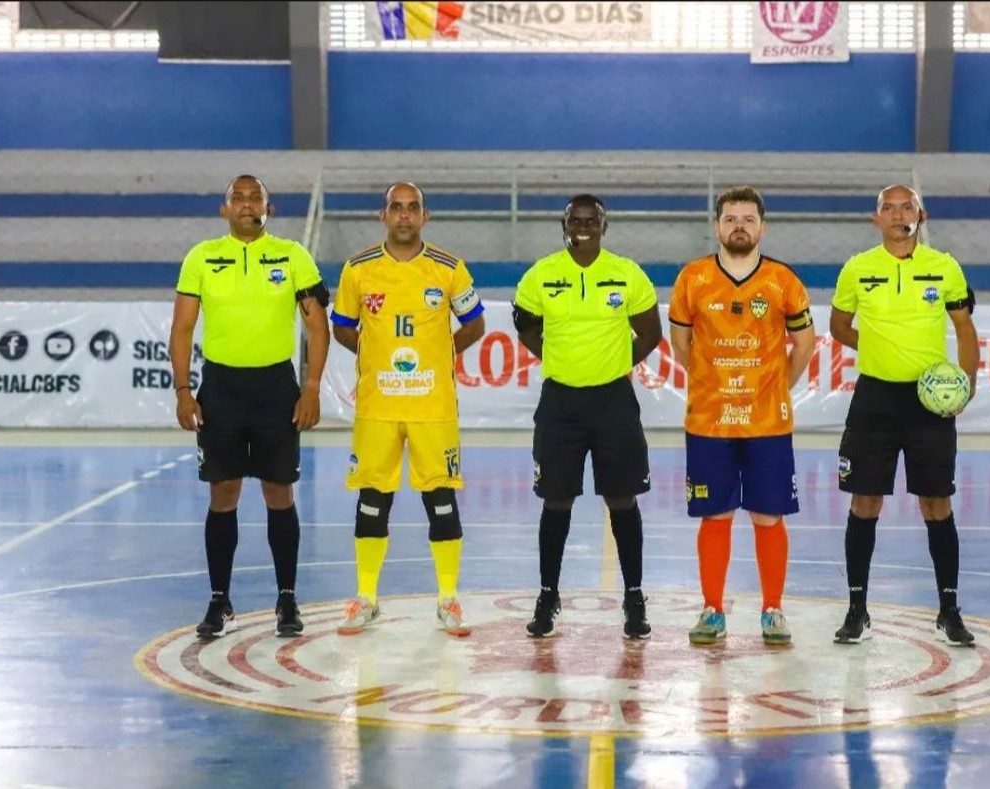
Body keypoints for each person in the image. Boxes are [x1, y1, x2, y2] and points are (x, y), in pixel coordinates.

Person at [170, 174, 331, 639]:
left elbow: (317, 328)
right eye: (237, 198)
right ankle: (219, 600)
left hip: (276, 388)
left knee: (279, 493)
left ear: (269, 208)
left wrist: (313, 386)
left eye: (254, 197)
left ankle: (287, 599)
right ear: (224, 210)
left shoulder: (293, 256)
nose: (246, 204)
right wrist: (184, 390)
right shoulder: (201, 257)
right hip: (221, 388)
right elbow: (182, 329)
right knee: (224, 493)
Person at [330, 182, 486, 637]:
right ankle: (366, 598)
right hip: (377, 406)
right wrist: (371, 353)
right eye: (395, 208)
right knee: (373, 502)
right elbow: (342, 326)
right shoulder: (358, 269)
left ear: (425, 216)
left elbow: (475, 323)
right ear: (383, 216)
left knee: (441, 501)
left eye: (412, 208)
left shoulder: (448, 268)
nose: (404, 215)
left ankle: (449, 599)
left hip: (432, 407)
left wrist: (442, 354)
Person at [829, 184, 980, 646]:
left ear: (921, 215)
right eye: (889, 209)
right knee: (864, 502)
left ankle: (949, 610)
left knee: (936, 504)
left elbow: (965, 328)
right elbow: (838, 326)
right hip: (874, 399)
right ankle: (857, 609)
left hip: (927, 406)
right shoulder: (857, 269)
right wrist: (876, 349)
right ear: (876, 219)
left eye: (907, 207)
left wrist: (965, 386)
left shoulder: (944, 267)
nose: (898, 215)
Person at [668, 186, 816, 646]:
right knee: (716, 514)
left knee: (768, 516)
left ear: (762, 226)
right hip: (709, 422)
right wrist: (712, 384)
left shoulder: (782, 281)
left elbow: (805, 344)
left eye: (748, 219)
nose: (739, 226)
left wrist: (776, 388)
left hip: (767, 423)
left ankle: (772, 610)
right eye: (730, 218)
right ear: (717, 226)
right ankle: (712, 609)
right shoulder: (692, 278)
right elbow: (680, 343)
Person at [512, 194, 663, 639]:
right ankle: (547, 594)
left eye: (590, 220)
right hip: (560, 406)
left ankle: (634, 597)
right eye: (575, 220)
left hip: (614, 403)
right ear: (564, 225)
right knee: (556, 500)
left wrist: (613, 365)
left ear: (603, 225)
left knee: (622, 499)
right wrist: (561, 360)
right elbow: (526, 329)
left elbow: (651, 333)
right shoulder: (541, 275)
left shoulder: (627, 273)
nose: (583, 226)